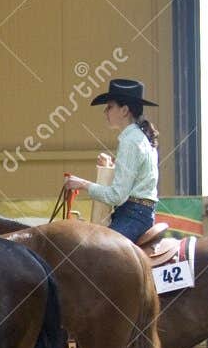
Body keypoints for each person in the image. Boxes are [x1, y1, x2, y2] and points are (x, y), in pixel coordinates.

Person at [64, 77, 160, 245]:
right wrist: (110, 167)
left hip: (132, 217)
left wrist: (82, 184)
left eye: (109, 107)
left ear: (124, 110)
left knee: (95, 254)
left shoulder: (130, 141)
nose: (105, 112)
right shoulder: (139, 138)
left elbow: (117, 196)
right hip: (139, 214)